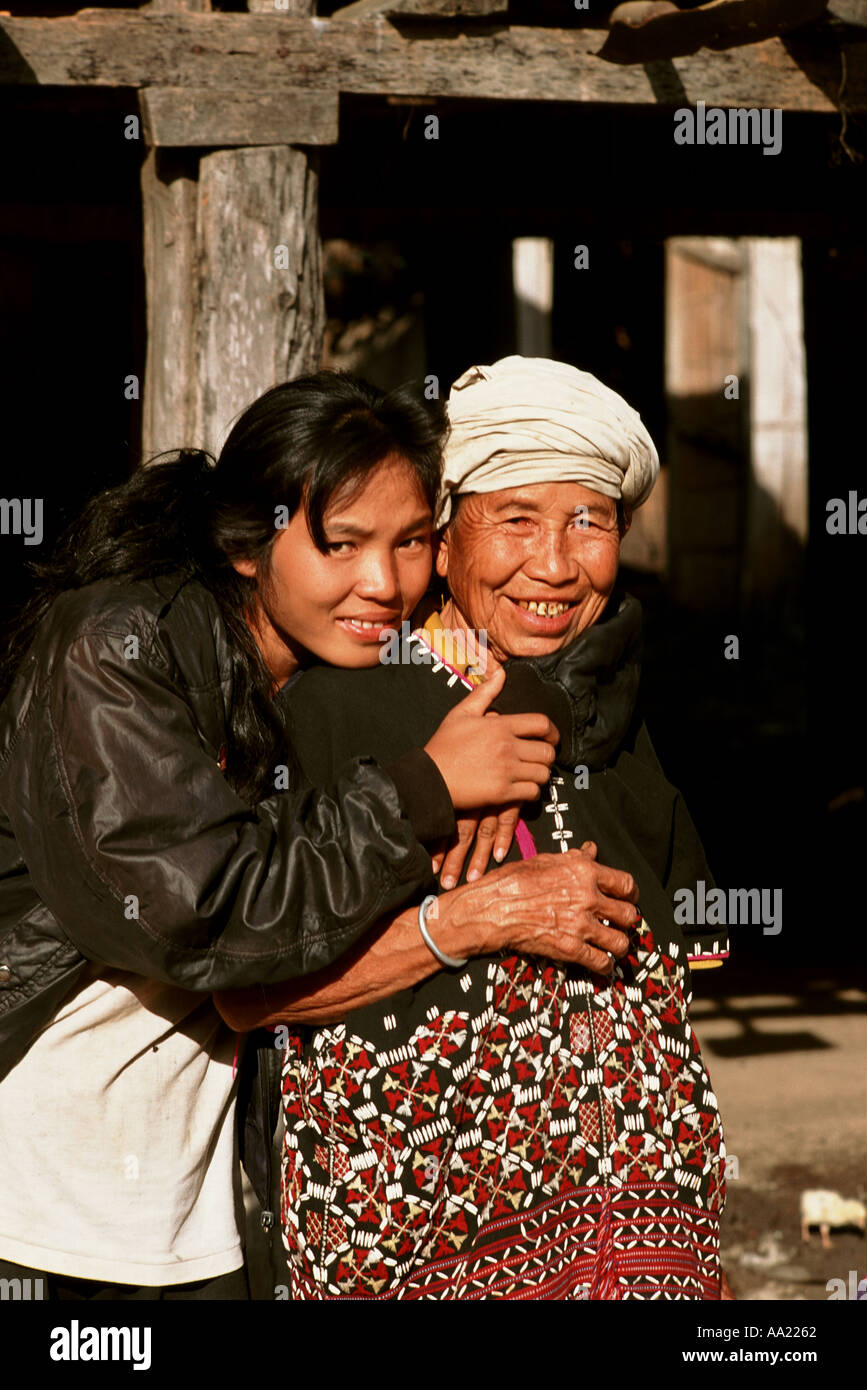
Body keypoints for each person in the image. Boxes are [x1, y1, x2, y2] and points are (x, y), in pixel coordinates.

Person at [0, 371, 591, 1300]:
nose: (383, 583)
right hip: (50, 1190)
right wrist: (427, 788)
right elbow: (205, 914)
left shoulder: (329, 669)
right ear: (246, 544)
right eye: (341, 544)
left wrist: (491, 749)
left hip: (205, 1202)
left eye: (409, 543)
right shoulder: (115, 647)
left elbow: (562, 648)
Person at [218, 357, 730, 1301]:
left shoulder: (611, 710)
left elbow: (671, 1020)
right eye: (517, 519)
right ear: (444, 542)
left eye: (591, 520)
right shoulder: (336, 707)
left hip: (645, 1256)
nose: (556, 563)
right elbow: (248, 995)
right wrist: (475, 917)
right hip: (421, 1251)